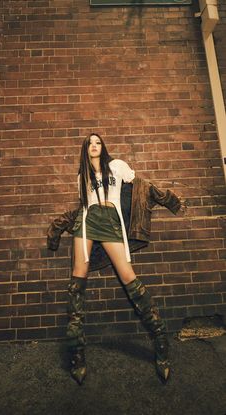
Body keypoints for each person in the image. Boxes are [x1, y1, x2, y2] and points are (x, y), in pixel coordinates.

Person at [48, 132, 186, 385]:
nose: (94, 146)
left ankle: (161, 341)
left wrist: (166, 199)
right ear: (85, 149)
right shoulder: (82, 176)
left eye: (97, 142)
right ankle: (76, 353)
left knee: (129, 278)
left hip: (111, 222)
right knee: (77, 283)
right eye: (89, 143)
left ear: (103, 146)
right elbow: (84, 206)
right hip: (87, 223)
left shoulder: (117, 166)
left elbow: (142, 186)